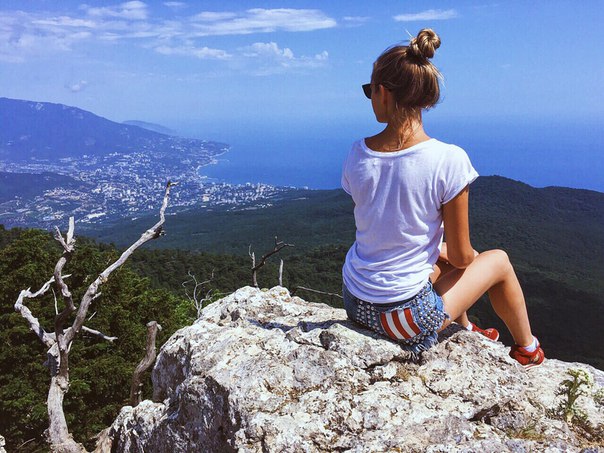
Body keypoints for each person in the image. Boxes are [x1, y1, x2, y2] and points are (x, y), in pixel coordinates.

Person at [341, 28, 544, 369]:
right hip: (403, 320)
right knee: (496, 261)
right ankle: (528, 348)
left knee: (444, 259)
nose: (370, 98)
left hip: (355, 300)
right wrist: (452, 253)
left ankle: (465, 327)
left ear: (384, 93)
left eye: (369, 90)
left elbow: (376, 228)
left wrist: (440, 252)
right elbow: (464, 257)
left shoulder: (357, 153)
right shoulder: (448, 160)